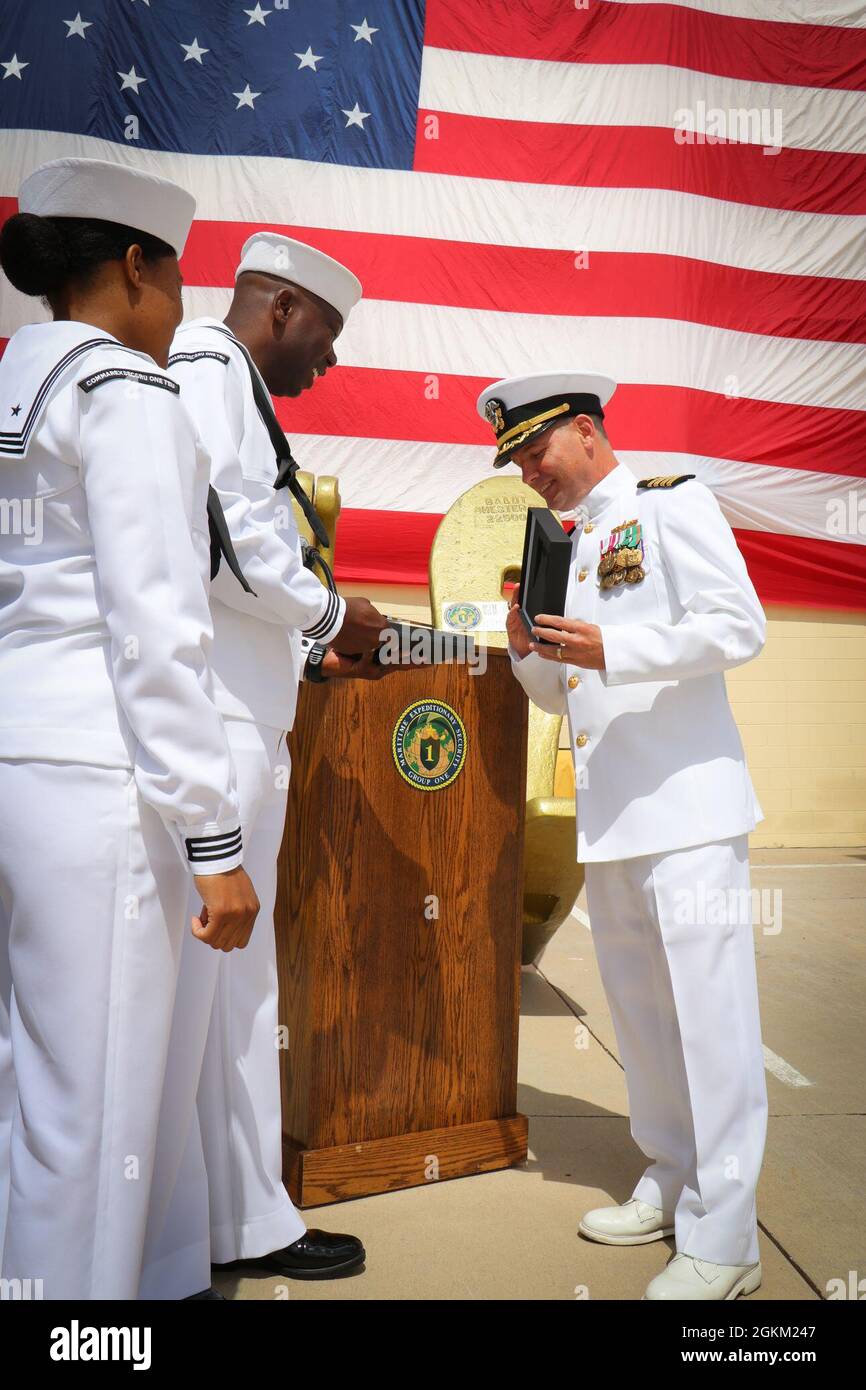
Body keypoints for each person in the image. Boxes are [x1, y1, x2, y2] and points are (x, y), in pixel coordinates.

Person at [0, 157, 259, 1300]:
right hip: (105, 777)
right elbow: (159, 633)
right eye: (178, 279)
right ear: (136, 266)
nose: (183, 311)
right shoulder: (127, 393)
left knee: (42, 1079)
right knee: (100, 1102)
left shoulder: (17, 381)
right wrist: (214, 837)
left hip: (25, 764)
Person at [479, 370, 769, 1302]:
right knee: (645, 1025)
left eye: (535, 450)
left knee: (712, 1028)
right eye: (515, 459)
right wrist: (531, 651)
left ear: (586, 430)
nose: (527, 472)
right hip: (614, 821)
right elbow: (572, 691)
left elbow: (740, 627)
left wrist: (615, 648)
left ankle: (726, 1240)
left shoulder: (671, 502)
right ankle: (668, 1177)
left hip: (688, 812)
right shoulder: (570, 541)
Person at [140, 232, 388, 1298]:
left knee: (227, 988)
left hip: (241, 710)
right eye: (323, 343)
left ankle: (216, 1218)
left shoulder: (219, 374)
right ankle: (227, 1226)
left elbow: (222, 572)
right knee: (225, 988)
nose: (323, 367)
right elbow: (232, 535)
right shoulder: (209, 369)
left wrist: (304, 646)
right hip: (218, 733)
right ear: (280, 307)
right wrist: (341, 613)